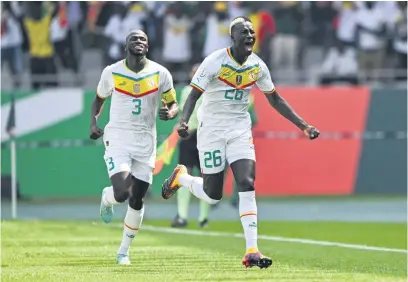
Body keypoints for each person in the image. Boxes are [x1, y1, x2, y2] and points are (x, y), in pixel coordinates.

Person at [161, 17, 319, 269]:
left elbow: (275, 99)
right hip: (211, 131)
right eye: (244, 32)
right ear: (232, 37)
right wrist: (183, 122)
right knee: (213, 196)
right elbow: (192, 96)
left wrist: (304, 125)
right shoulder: (214, 61)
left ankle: (252, 250)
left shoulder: (258, 66)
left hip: (239, 130)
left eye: (252, 32)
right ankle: (182, 178)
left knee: (246, 182)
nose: (250, 35)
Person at [89, 30, 178, 265]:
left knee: (137, 199)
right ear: (126, 46)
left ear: (147, 47)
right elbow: (99, 98)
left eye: (143, 40)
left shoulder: (161, 73)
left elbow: (173, 104)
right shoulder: (112, 72)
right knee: (122, 192)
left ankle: (123, 252)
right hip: (118, 138)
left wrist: (169, 113)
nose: (139, 41)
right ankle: (107, 198)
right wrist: (93, 122)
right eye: (134, 39)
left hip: (146, 142)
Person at [171, 64, 210, 229]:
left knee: (200, 177)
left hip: (201, 137)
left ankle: (193, 216)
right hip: (194, 137)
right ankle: (188, 216)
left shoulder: (196, 91)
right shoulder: (203, 91)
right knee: (190, 176)